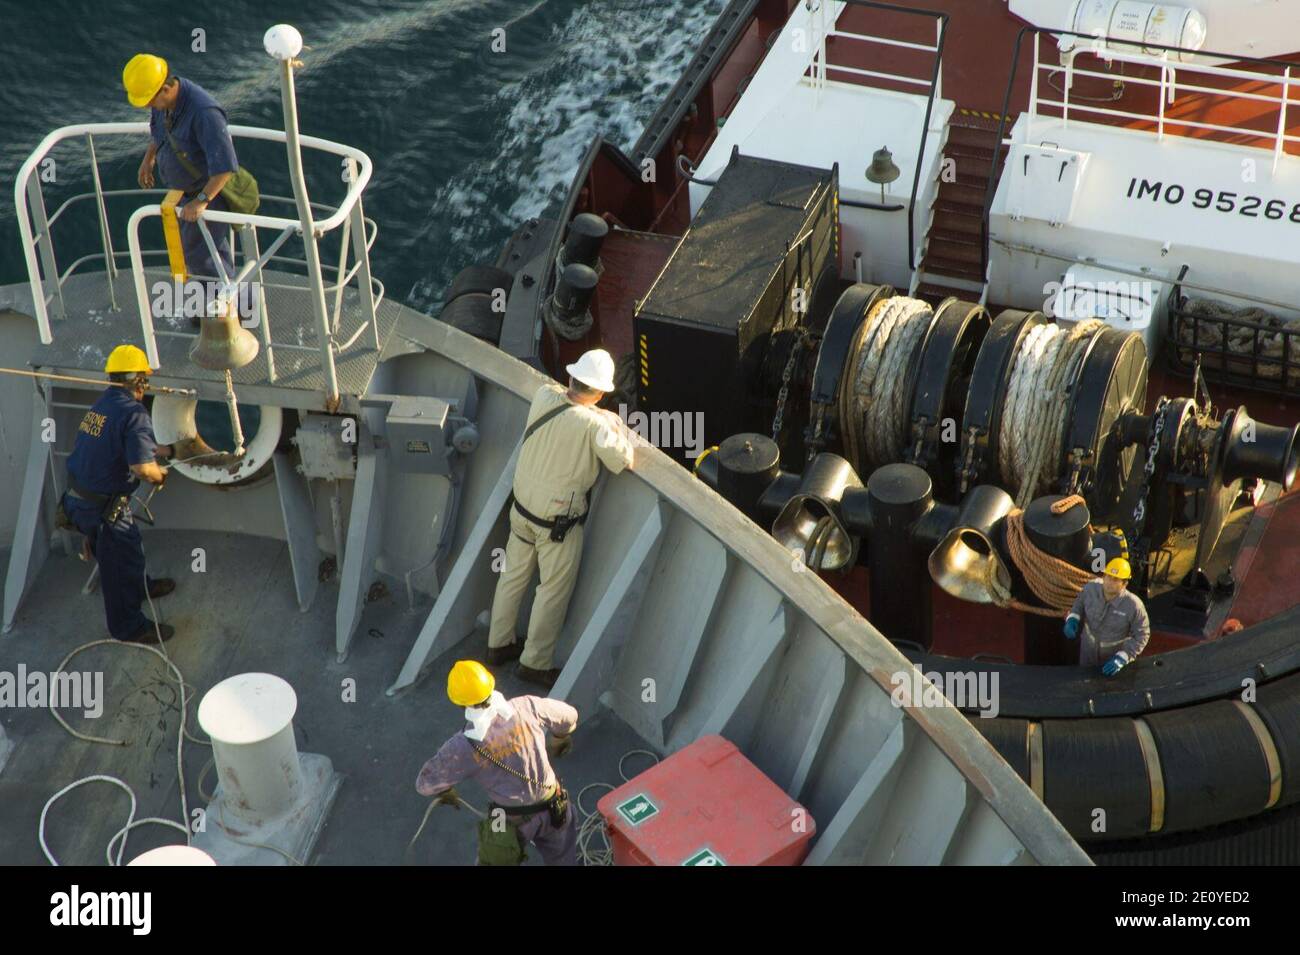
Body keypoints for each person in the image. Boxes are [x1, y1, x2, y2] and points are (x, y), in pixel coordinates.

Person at [485, 349, 635, 688]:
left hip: (521, 512)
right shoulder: (595, 425)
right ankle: (534, 663)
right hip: (557, 527)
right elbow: (623, 459)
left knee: (511, 578)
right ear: (599, 393)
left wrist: (596, 414)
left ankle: (498, 644)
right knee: (551, 591)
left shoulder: (542, 396)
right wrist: (612, 422)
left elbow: (565, 402)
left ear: (571, 378)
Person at [61, 345, 177, 643]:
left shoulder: (101, 406)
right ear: (137, 381)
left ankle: (140, 588)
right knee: (116, 566)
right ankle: (128, 627)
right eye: (144, 381)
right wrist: (159, 475)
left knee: (129, 552)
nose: (145, 387)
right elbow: (141, 466)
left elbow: (124, 444)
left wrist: (171, 450)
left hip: (79, 500)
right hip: (103, 509)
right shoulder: (134, 412)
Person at [416, 660, 578, 866]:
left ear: (459, 702)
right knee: (563, 859)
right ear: (491, 685)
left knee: (492, 860)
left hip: (507, 818)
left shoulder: (462, 747)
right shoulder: (528, 707)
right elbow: (569, 716)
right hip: (554, 804)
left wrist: (445, 792)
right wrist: (560, 737)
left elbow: (425, 784)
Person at [124, 54, 239, 318]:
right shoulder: (164, 103)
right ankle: (221, 306)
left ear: (165, 88)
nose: (148, 107)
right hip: (187, 193)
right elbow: (160, 133)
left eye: (150, 101)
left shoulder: (204, 113)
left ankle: (226, 312)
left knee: (204, 255)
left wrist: (201, 200)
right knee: (204, 253)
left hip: (205, 192)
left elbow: (225, 167)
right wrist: (148, 159)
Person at [1064, 557, 1150, 676]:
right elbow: (1079, 604)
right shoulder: (1090, 589)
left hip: (1111, 658)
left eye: (1116, 580)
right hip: (1087, 652)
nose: (1110, 582)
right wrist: (1072, 619)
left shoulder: (1134, 606)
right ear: (1103, 576)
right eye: (1108, 577)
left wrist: (1123, 657)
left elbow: (1142, 635)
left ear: (1124, 583)